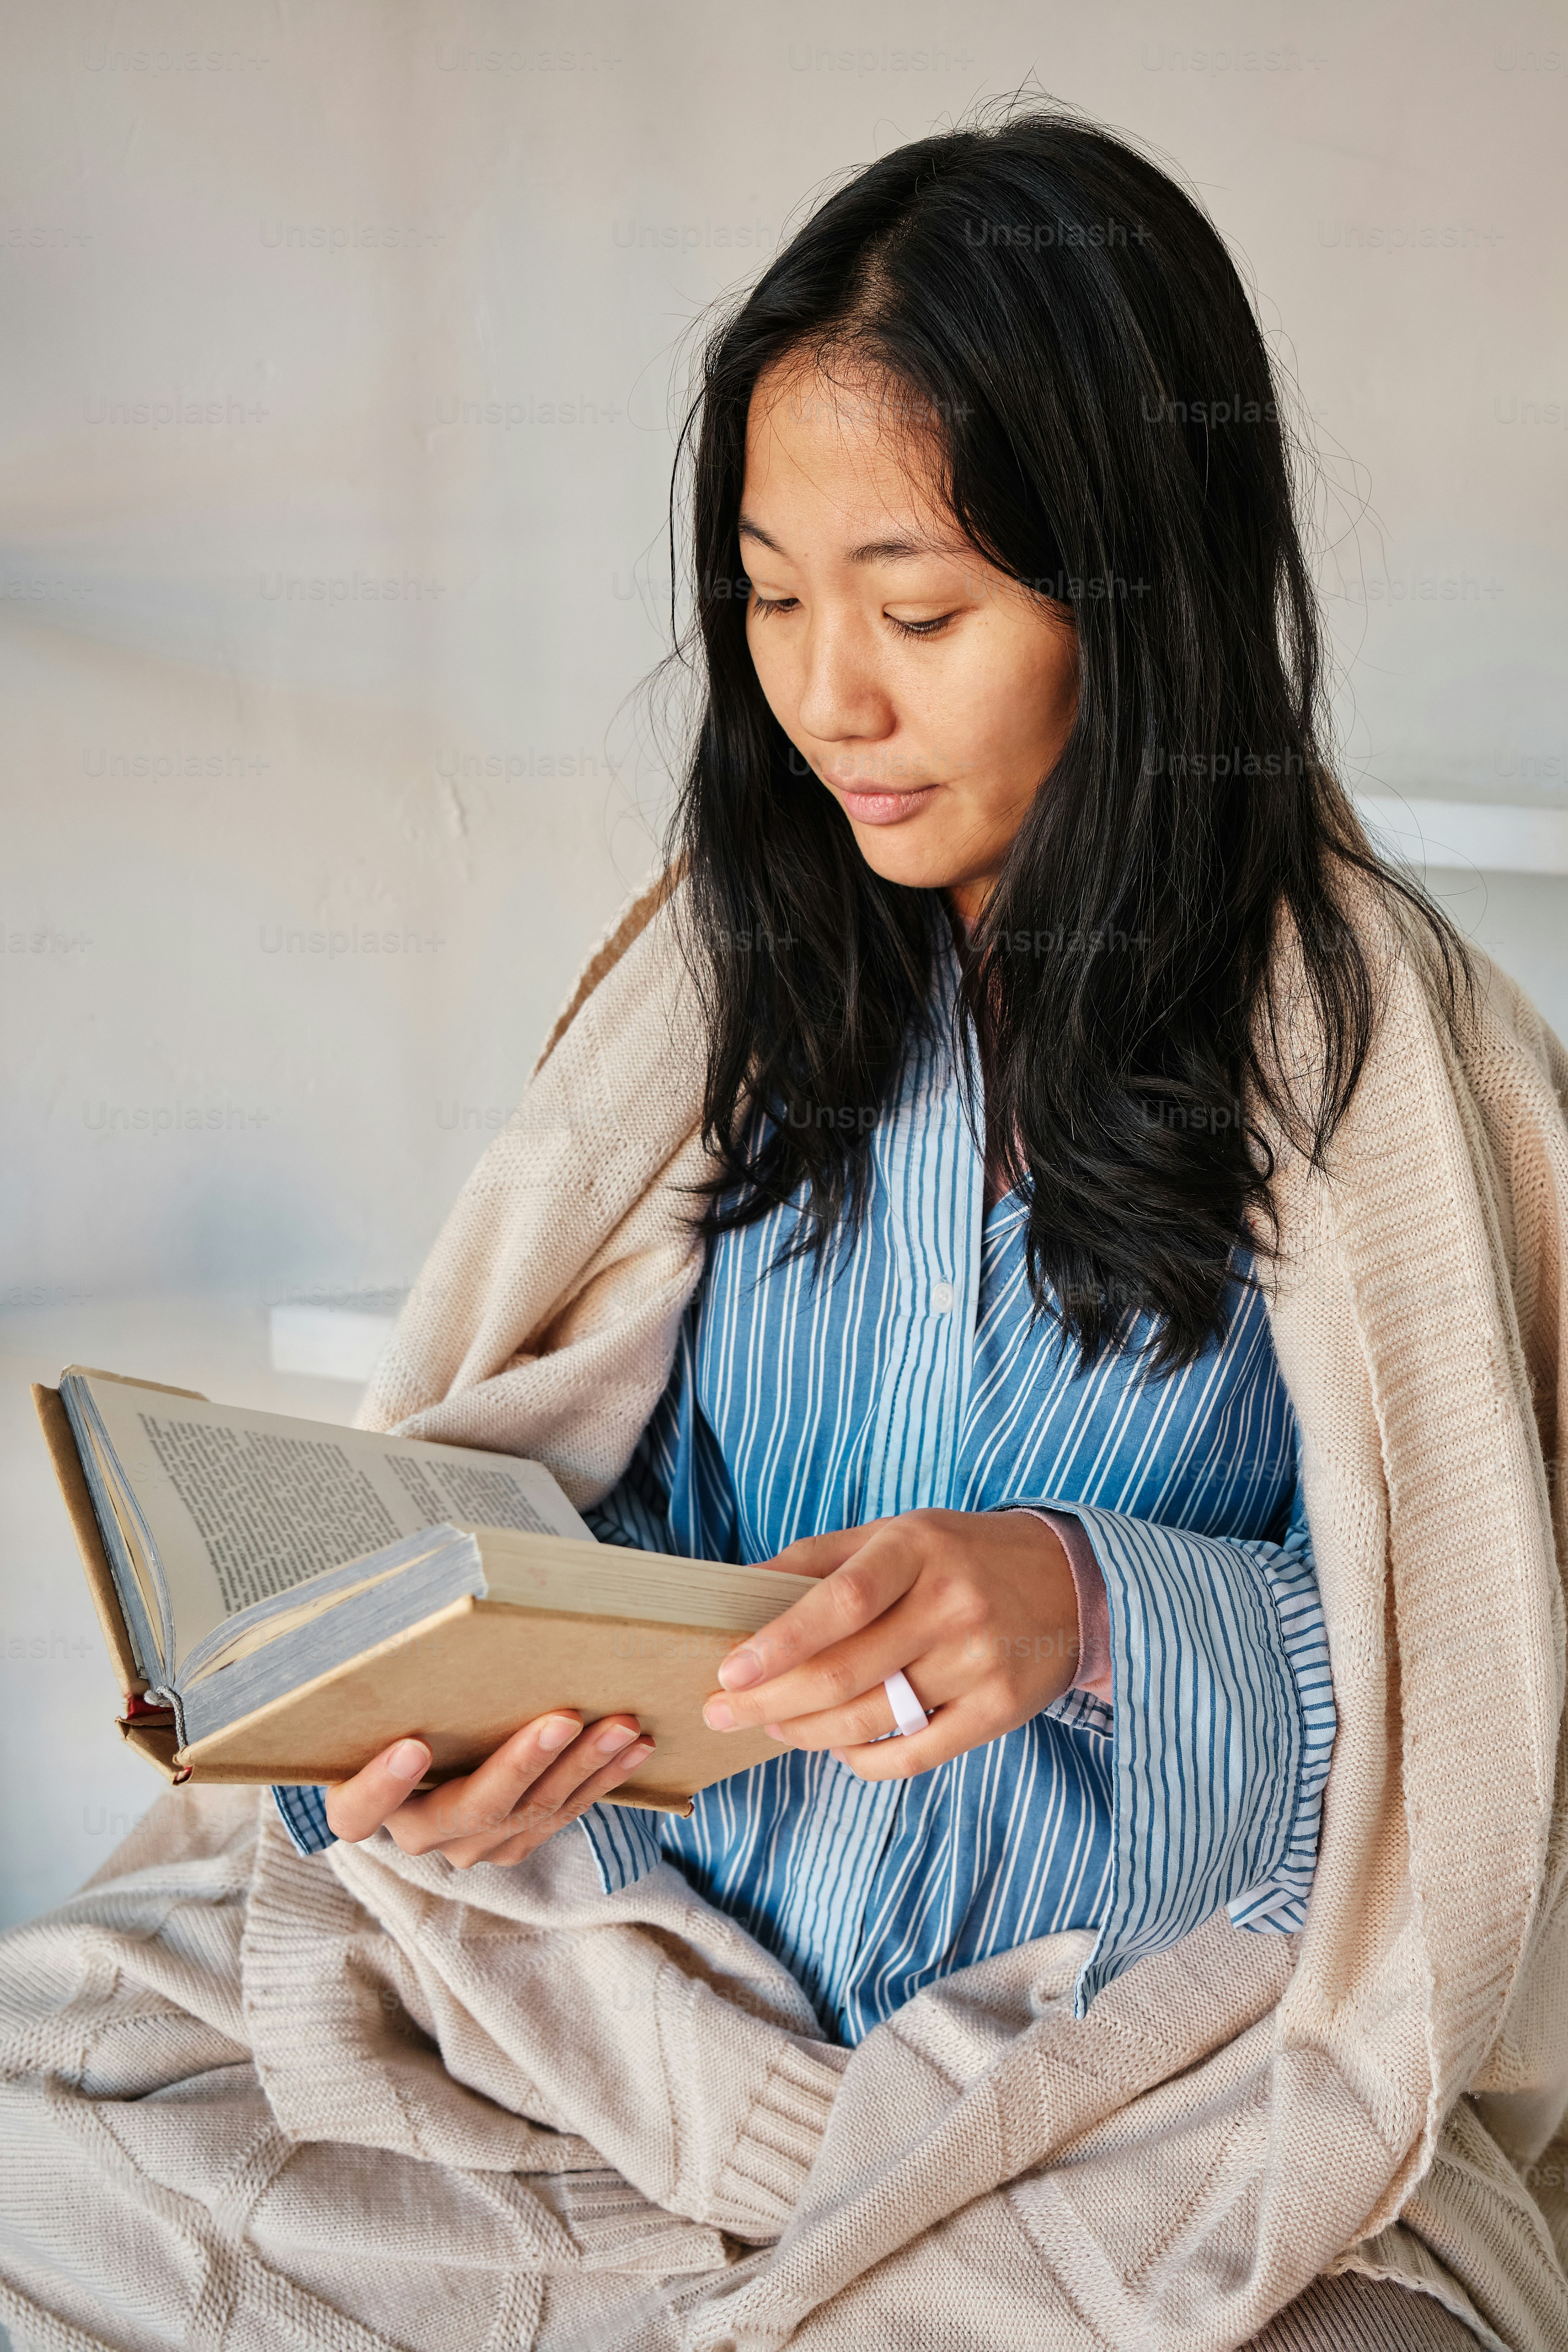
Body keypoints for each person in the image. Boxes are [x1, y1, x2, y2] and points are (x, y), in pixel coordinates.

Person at [4, 107, 1562, 2352]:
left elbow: (1493, 1705)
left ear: (1132, 588)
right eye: (769, 594)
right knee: (47, 2115)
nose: (829, 692)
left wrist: (1091, 1600)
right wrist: (452, 1723)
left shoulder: (1384, 1066)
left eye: (917, 606)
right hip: (632, 2005)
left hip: (1131, 2085)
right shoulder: (722, 996)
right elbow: (573, 1473)